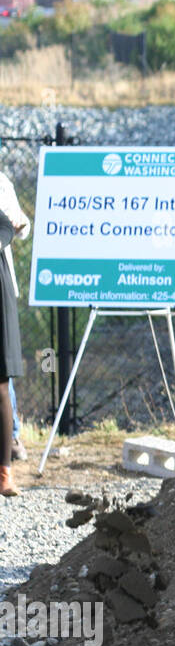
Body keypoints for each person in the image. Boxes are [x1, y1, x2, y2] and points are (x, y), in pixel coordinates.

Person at [0, 170, 29, 497]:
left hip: (1, 288)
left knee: (3, 380)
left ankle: (11, 444)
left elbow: (13, 223)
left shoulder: (1, 181)